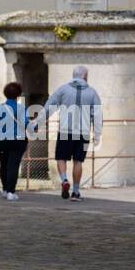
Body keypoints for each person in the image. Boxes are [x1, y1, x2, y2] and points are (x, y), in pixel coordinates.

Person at [45, 65, 103, 201]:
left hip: (65, 130)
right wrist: (98, 134)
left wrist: (38, 122)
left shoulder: (63, 89)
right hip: (83, 132)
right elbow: (98, 115)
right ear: (85, 76)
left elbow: (49, 107)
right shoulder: (92, 92)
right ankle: (76, 192)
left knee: (61, 158)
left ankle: (65, 180)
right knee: (78, 161)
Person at [0, 81, 30, 201]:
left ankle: (5, 189)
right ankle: (11, 192)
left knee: (4, 164)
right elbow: (26, 124)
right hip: (17, 141)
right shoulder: (21, 108)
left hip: (1, 141)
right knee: (13, 165)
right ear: (18, 94)